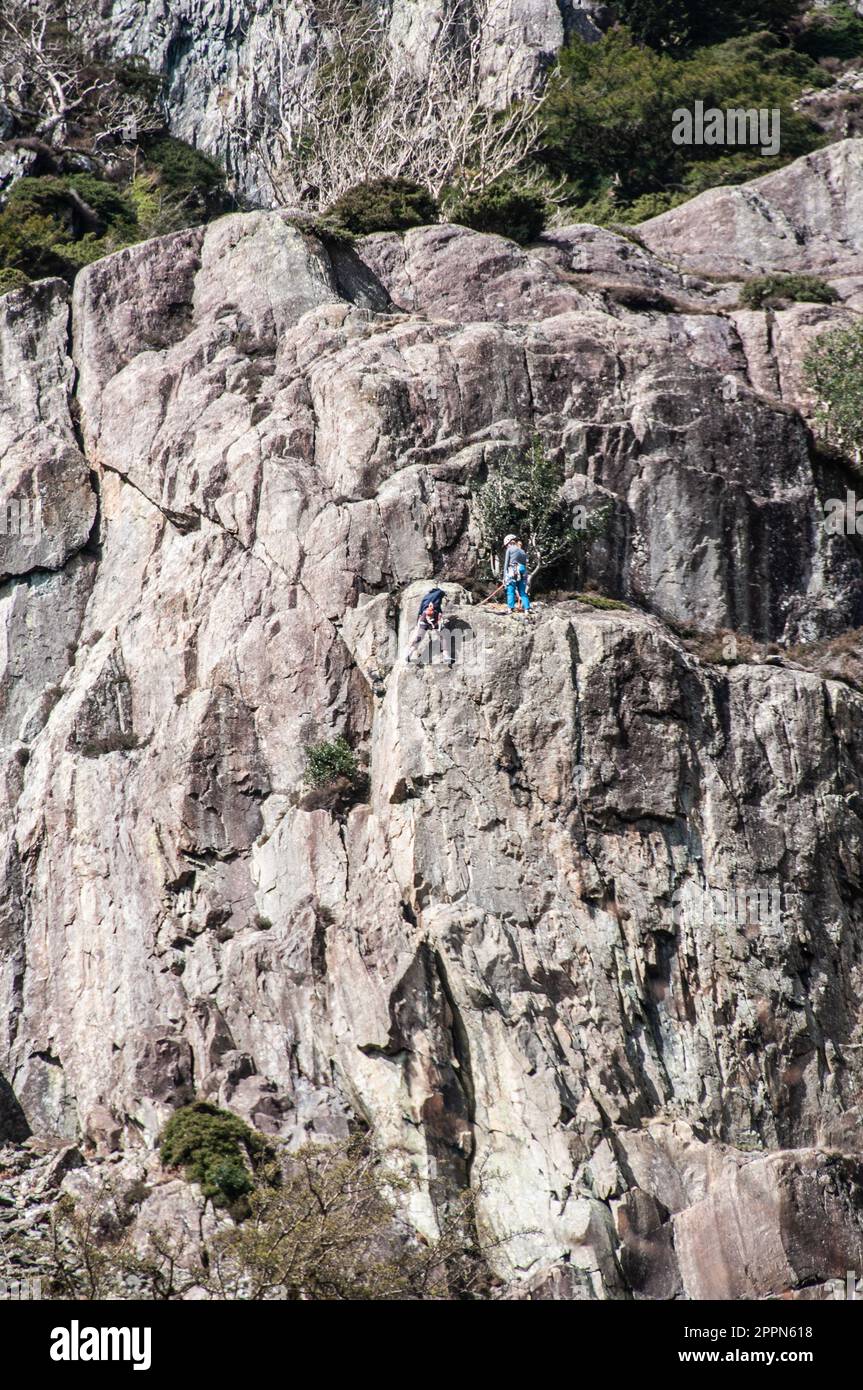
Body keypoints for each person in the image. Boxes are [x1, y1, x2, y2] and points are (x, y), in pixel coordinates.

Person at [405, 587, 453, 664]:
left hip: (423, 617)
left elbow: (421, 610)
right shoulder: (439, 593)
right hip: (433, 616)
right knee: (442, 636)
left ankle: (409, 654)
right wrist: (444, 595)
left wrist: (418, 621)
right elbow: (441, 594)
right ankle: (446, 655)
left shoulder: (426, 597)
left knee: (419, 637)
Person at [502, 534, 531, 616]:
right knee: (522, 591)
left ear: (509, 543)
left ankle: (510, 608)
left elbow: (506, 564)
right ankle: (527, 609)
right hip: (523, 571)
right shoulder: (522, 551)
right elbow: (524, 564)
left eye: (506, 545)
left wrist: (504, 577)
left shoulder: (510, 549)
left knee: (510, 590)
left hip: (513, 570)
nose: (506, 547)